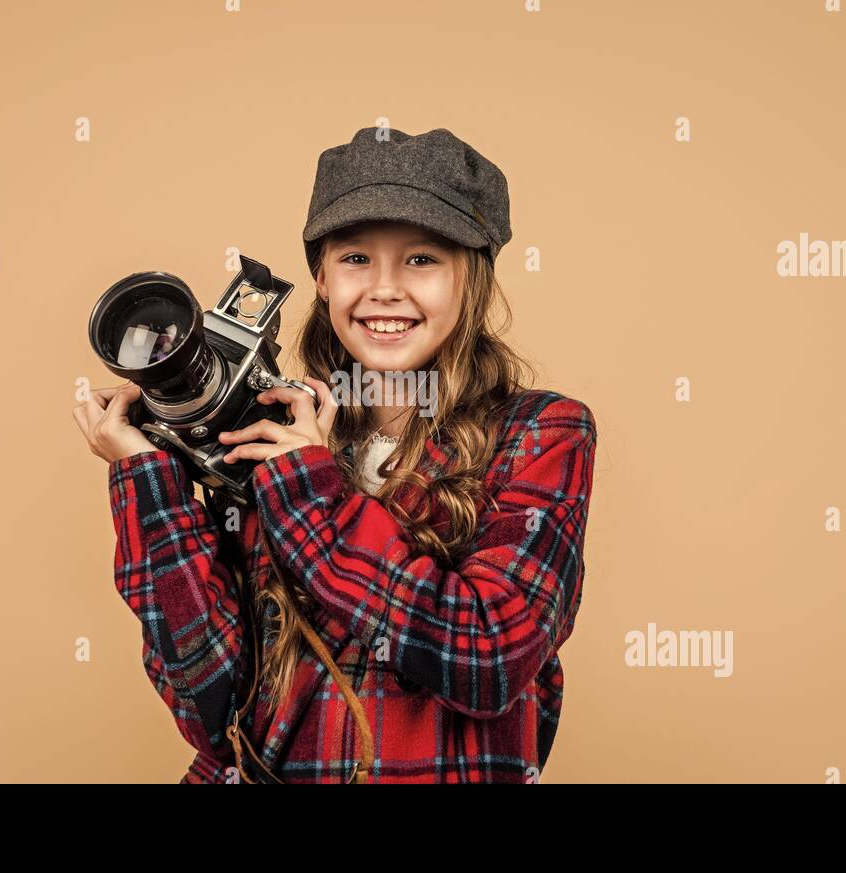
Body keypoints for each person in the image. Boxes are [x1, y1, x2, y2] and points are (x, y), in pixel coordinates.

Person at [73, 126, 597, 783]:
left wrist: (306, 488)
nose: (384, 289)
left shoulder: (541, 432)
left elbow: (487, 657)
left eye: (421, 260)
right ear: (320, 277)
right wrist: (150, 481)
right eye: (355, 259)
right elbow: (211, 710)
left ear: (474, 278)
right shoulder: (265, 433)